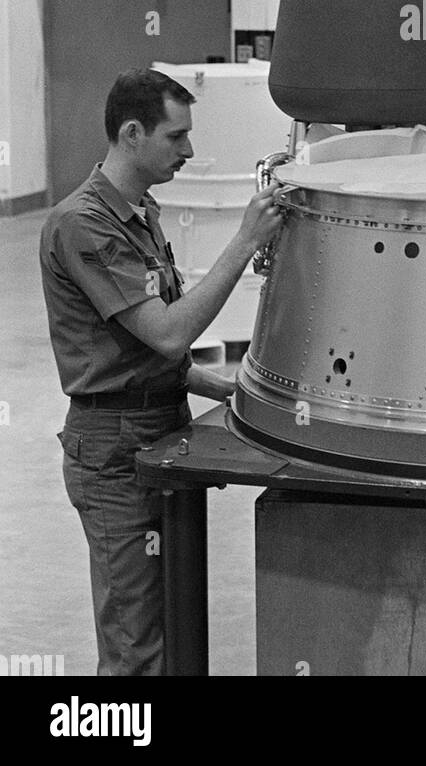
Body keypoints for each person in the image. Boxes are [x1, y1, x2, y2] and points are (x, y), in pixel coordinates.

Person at [40, 68, 284, 675]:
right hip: (115, 451)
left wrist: (221, 386)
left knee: (170, 630)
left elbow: (144, 352)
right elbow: (171, 332)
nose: (190, 151)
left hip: (156, 426)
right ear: (131, 134)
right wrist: (243, 241)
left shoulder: (139, 210)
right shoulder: (84, 225)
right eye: (176, 138)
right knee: (136, 646)